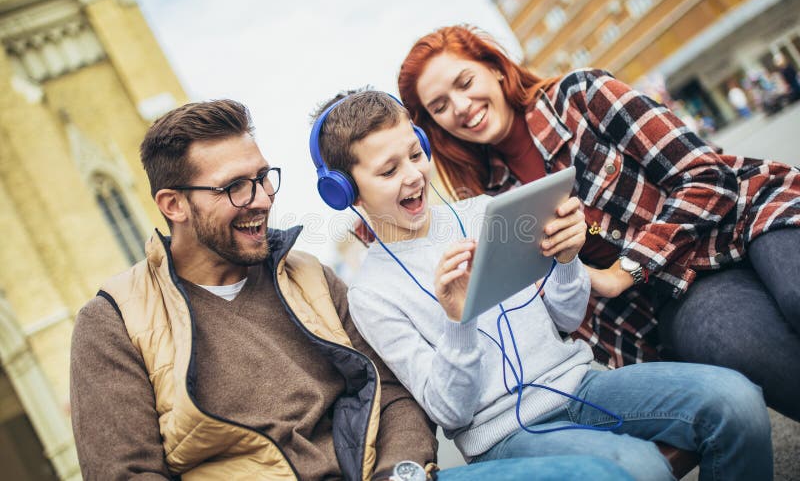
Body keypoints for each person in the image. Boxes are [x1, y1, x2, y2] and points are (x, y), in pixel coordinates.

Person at [69, 99, 631, 481]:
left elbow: (392, 393)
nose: (263, 199)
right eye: (235, 188)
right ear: (174, 206)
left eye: (264, 178)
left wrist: (404, 472)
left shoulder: (309, 276)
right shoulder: (114, 322)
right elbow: (126, 472)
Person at [310, 89, 773, 480]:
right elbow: (450, 413)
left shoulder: (484, 213)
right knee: (639, 467)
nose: (413, 175)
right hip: (503, 435)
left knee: (738, 402)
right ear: (343, 191)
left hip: (581, 385)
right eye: (389, 171)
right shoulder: (371, 295)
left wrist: (567, 260)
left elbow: (566, 316)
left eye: (415, 154)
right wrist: (458, 320)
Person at [396, 25, 800, 423]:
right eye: (440, 106)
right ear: (433, 126)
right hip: (673, 288)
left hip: (748, 215)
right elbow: (562, 307)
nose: (461, 106)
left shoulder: (581, 95)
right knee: (735, 340)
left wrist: (619, 273)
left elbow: (707, 176)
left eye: (465, 82)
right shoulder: (492, 201)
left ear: (496, 69)